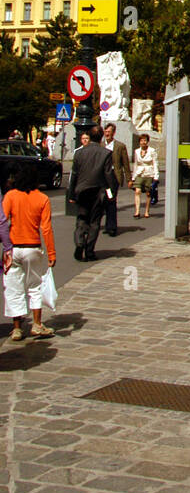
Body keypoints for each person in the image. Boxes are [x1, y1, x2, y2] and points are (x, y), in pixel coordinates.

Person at [3, 164, 57, 340]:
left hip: (13, 247)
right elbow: (46, 228)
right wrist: (51, 253)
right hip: (32, 247)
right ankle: (36, 324)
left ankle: (17, 328)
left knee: (13, 288)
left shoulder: (10, 196)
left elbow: (3, 222)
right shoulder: (42, 198)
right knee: (34, 286)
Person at [68, 125, 118, 261]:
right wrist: (112, 193)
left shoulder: (79, 153)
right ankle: (89, 251)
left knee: (81, 218)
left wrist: (71, 194)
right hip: (98, 192)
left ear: (89, 136)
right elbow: (109, 175)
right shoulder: (106, 153)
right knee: (95, 222)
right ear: (101, 136)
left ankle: (79, 242)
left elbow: (74, 175)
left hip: (82, 191)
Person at [102, 123, 132, 236]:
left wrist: (129, 179)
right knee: (104, 201)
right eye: (105, 132)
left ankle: (112, 227)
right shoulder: (100, 145)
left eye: (109, 132)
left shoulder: (120, 146)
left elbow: (125, 164)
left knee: (111, 200)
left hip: (113, 177)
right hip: (103, 178)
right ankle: (107, 225)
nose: (107, 134)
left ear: (113, 133)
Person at [131, 134, 159, 219]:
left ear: (147, 141)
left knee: (148, 193)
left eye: (145, 140)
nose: (143, 142)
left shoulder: (152, 151)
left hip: (149, 173)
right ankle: (137, 211)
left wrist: (156, 176)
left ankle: (147, 211)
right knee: (137, 191)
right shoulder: (136, 151)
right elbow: (135, 164)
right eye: (141, 140)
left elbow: (155, 163)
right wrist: (133, 176)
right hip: (139, 173)